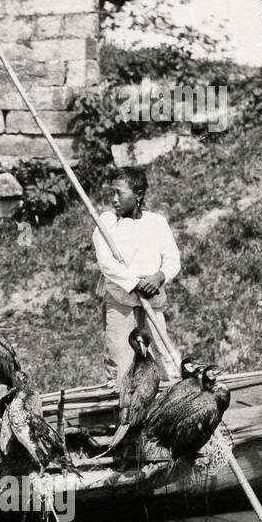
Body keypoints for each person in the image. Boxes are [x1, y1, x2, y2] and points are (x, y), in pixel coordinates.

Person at [92, 166, 181, 387]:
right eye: (111, 193)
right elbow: (107, 263)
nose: (113, 199)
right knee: (121, 362)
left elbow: (172, 259)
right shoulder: (106, 222)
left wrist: (159, 277)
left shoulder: (156, 222)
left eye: (119, 194)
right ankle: (122, 410)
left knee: (161, 356)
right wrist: (134, 283)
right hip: (121, 301)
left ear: (138, 195)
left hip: (151, 299)